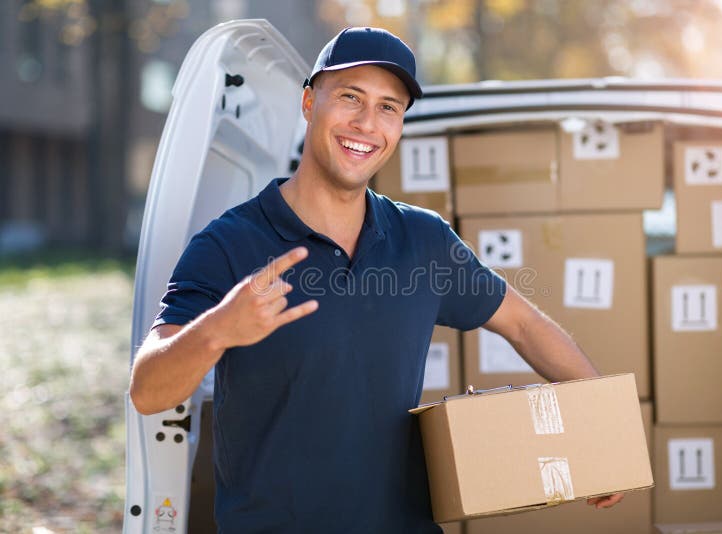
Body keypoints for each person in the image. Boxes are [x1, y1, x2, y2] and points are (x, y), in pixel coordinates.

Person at [129, 26, 623, 533]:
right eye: (350, 97)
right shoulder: (229, 245)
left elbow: (523, 324)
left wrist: (606, 432)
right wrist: (217, 330)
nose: (367, 124)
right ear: (308, 102)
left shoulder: (423, 240)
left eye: (389, 107)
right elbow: (147, 391)